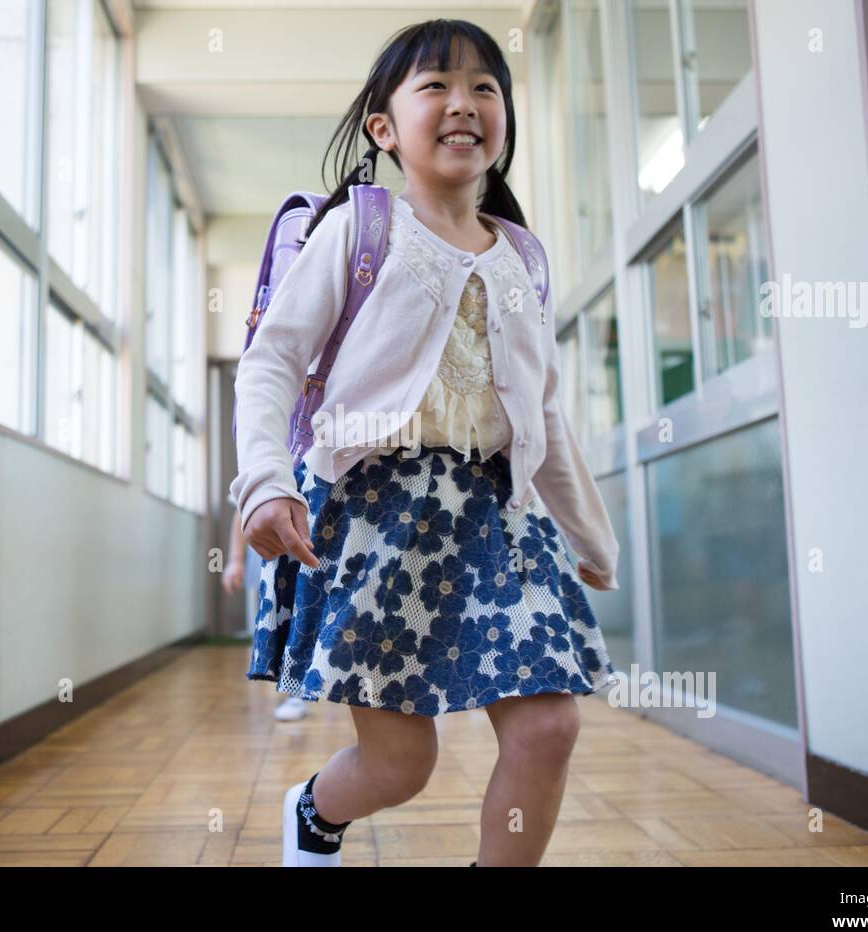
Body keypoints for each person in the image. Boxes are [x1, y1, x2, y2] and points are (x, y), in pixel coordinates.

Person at [230, 19, 621, 868]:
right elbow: (271, 363)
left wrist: (591, 536)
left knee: (550, 723)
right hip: (377, 517)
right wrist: (264, 480)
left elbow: (542, 415)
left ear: (504, 119)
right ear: (384, 127)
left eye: (485, 87)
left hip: (497, 519)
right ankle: (315, 812)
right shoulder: (364, 230)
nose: (464, 103)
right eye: (435, 86)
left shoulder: (522, 258)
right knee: (403, 763)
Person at [223, 507, 308, 721]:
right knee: (286, 621)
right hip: (275, 552)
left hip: (318, 540)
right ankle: (294, 690)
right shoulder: (253, 474)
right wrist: (235, 559)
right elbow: (241, 510)